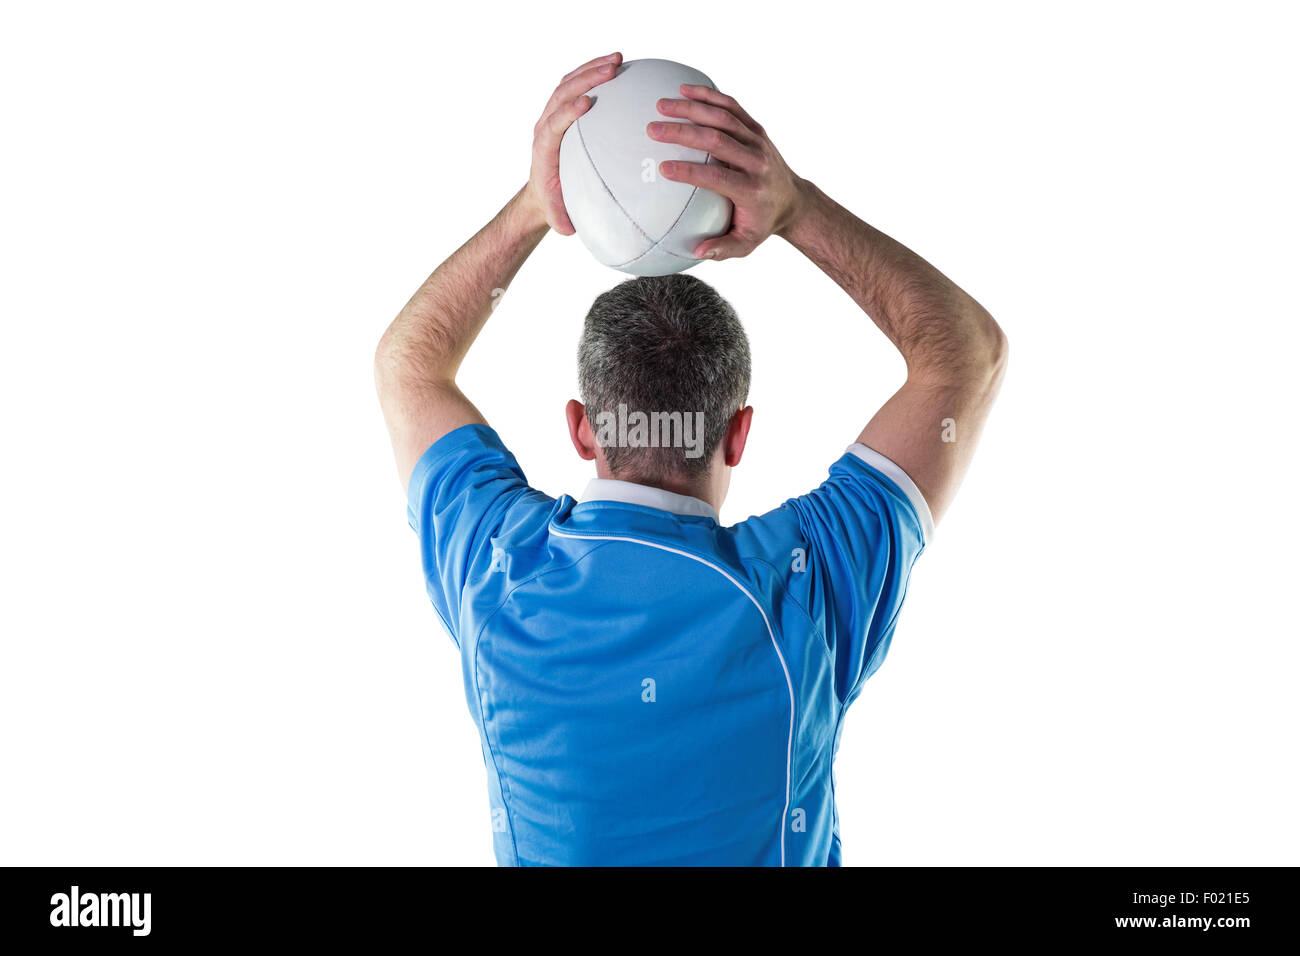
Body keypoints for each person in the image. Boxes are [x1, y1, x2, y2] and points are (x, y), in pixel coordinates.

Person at [374, 52, 1007, 866]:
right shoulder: (810, 584)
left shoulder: (497, 573)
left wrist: (538, 207)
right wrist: (795, 209)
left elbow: (408, 366)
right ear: (738, 435)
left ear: (581, 428)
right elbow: (966, 355)